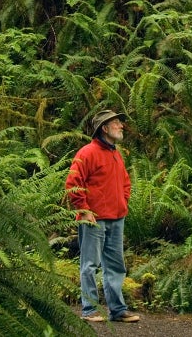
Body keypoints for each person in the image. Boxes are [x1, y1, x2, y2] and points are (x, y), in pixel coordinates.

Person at [65, 109, 141, 323]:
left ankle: (117, 310)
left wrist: (123, 202)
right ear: (104, 128)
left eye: (119, 122)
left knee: (116, 265)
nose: (121, 126)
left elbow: (125, 182)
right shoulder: (87, 153)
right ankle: (89, 310)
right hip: (93, 220)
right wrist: (84, 209)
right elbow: (72, 183)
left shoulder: (116, 153)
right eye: (116, 123)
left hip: (117, 218)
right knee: (89, 265)